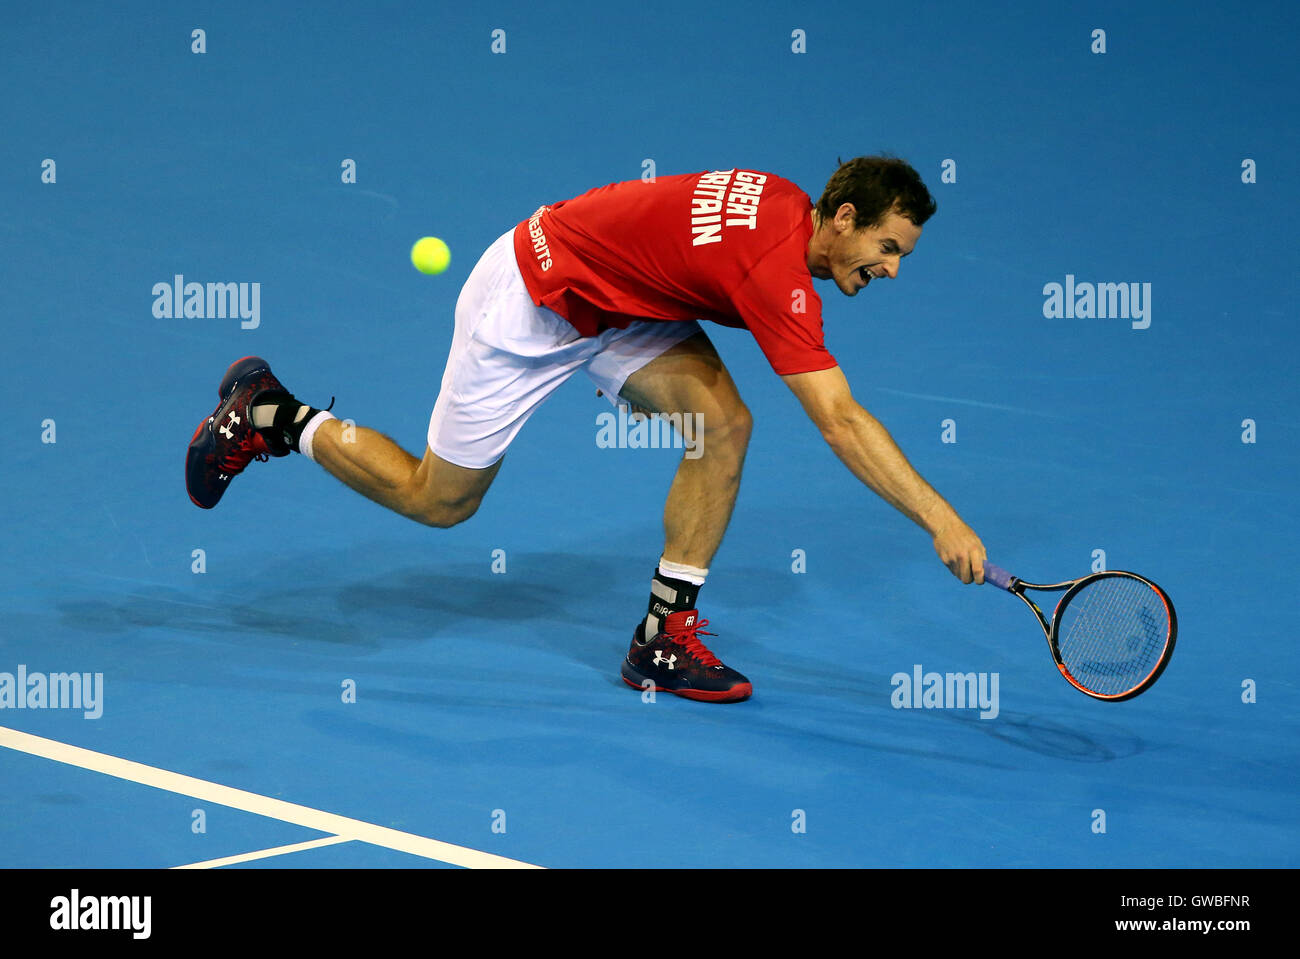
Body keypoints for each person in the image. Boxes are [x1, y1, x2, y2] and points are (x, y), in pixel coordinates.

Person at [185, 156, 987, 704]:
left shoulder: (785, 201)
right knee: (440, 499)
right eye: (886, 247)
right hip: (535, 301)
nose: (891, 270)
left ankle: (661, 639)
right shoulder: (772, 269)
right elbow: (840, 422)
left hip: (620, 303)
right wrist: (940, 518)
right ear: (842, 218)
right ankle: (269, 413)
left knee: (724, 426)